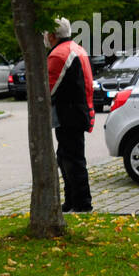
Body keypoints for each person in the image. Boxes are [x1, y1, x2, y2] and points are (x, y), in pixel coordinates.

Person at [45, 17, 95, 213]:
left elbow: (48, 88)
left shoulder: (59, 54)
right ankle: (73, 200)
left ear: (52, 35)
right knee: (67, 157)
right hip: (78, 110)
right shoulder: (77, 48)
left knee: (71, 159)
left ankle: (82, 203)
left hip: (69, 114)